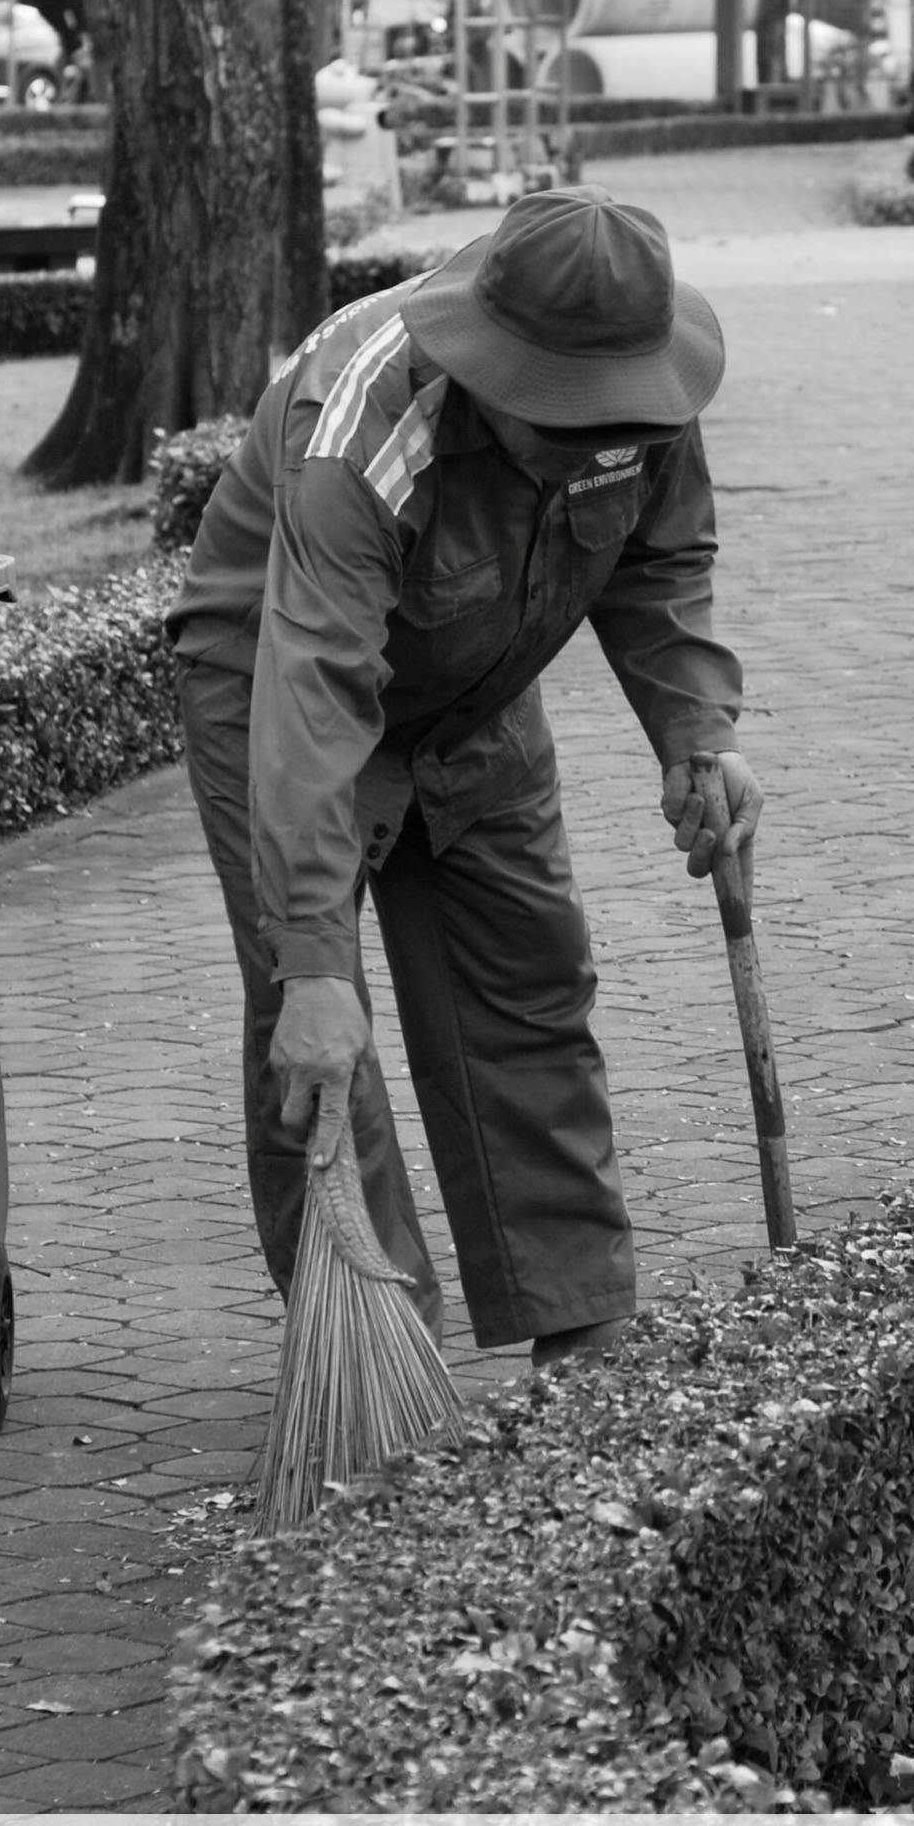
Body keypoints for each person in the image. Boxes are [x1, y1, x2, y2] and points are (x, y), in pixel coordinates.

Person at [165, 183, 758, 1366]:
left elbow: (661, 552)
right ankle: (378, 1358)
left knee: (530, 981)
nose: (601, 440)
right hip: (275, 686)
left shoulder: (642, 390)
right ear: (499, 372)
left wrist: (697, 727)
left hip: (476, 685)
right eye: (567, 417)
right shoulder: (367, 428)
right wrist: (317, 964)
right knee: (323, 1034)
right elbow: (317, 693)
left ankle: (578, 1321)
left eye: (616, 421)